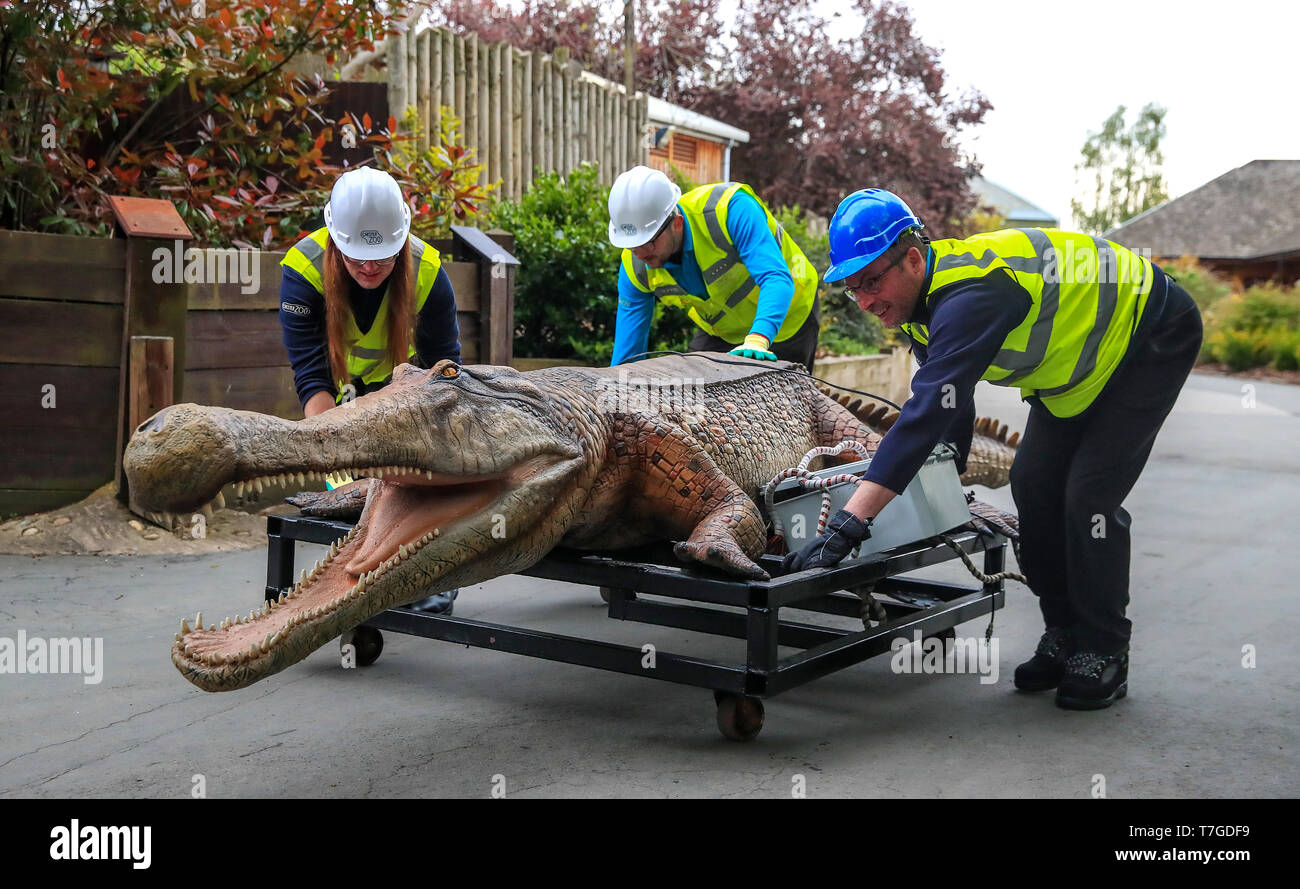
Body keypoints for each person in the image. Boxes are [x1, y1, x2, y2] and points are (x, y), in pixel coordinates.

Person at [783, 188, 1202, 710]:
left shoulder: (972, 294)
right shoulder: (920, 304)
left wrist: (849, 524)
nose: (864, 300)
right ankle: (1064, 632)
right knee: (1032, 485)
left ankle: (1105, 649)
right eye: (852, 288)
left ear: (913, 259)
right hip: (1081, 367)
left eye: (872, 281)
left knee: (1088, 499)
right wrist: (948, 484)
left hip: (1151, 332)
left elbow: (924, 415)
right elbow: (952, 409)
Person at [278, 166, 461, 616]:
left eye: (382, 256)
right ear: (334, 240)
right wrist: (344, 466)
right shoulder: (302, 271)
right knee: (351, 494)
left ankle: (433, 574)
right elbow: (312, 379)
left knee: (415, 487)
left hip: (409, 394)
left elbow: (449, 375)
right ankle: (359, 572)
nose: (370, 266)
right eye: (356, 255)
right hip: (338, 403)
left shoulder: (428, 273)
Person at [607, 165, 821, 370]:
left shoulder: (731, 210)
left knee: (782, 403)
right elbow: (627, 354)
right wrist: (616, 388)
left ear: (677, 223)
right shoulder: (635, 268)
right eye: (632, 246)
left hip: (788, 317)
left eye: (649, 242)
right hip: (723, 332)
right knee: (696, 398)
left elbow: (775, 278)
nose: (641, 253)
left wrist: (758, 339)